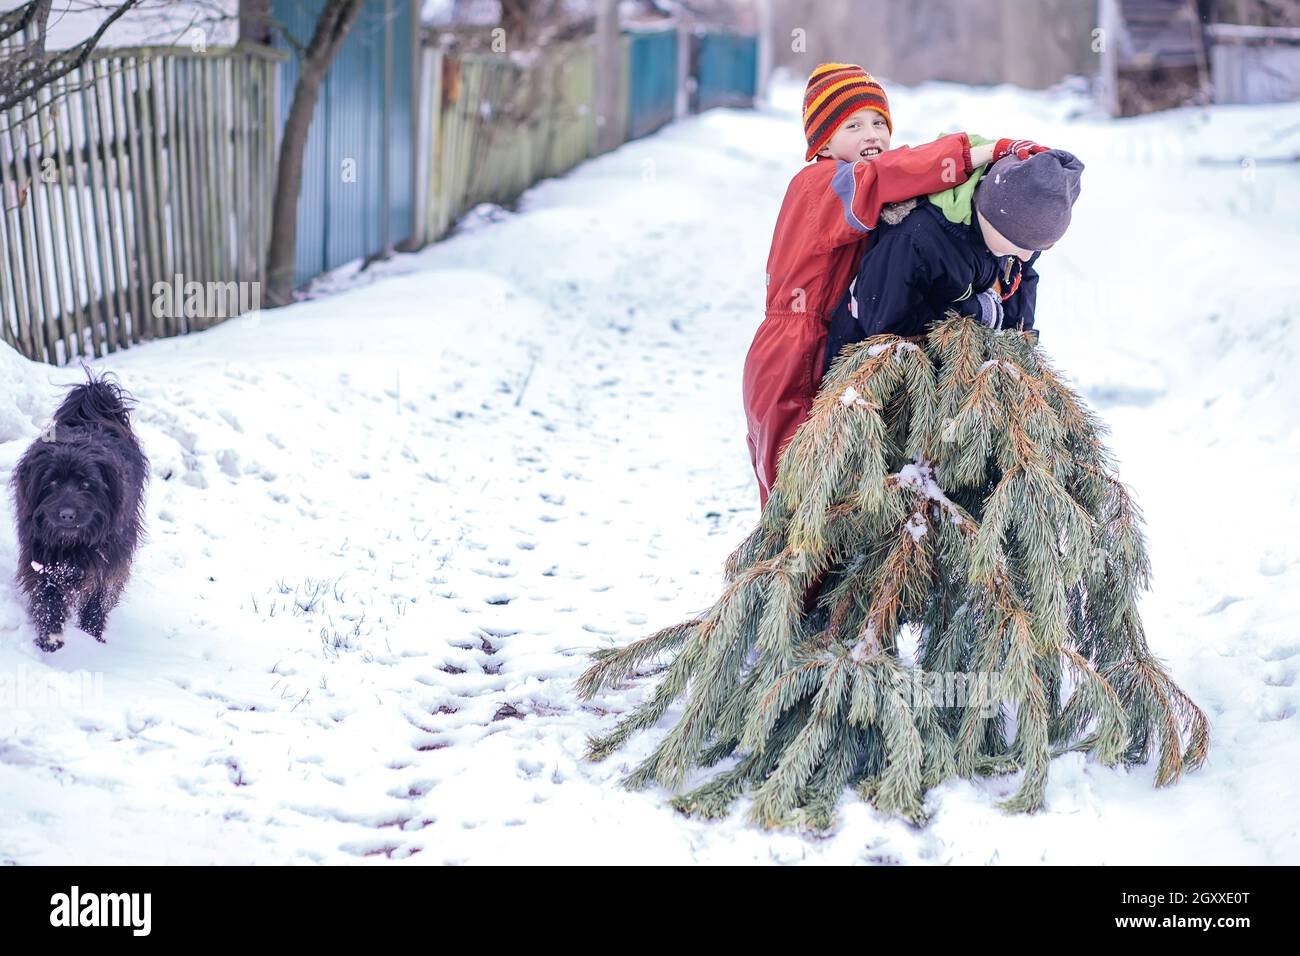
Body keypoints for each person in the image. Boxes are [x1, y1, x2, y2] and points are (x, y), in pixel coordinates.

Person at [741, 62, 1047, 508]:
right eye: (854, 124)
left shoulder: (853, 179)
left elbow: (900, 175)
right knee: (799, 496)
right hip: (791, 352)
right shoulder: (822, 184)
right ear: (823, 141)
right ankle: (786, 575)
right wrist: (976, 152)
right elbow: (885, 175)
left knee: (839, 492)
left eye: (879, 123)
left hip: (822, 342)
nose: (872, 135)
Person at [821, 147, 1085, 373]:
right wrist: (977, 312)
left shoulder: (1010, 238)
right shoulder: (916, 239)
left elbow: (1020, 280)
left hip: (949, 365)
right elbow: (885, 323)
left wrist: (1019, 343)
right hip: (868, 370)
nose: (1027, 256)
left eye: (1037, 250)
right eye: (1020, 247)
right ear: (992, 220)